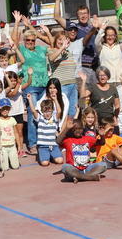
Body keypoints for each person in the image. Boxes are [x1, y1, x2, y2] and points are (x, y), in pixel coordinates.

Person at [14, 16, 51, 154]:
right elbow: (14, 41)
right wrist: (17, 23)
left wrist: (42, 32)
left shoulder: (41, 49)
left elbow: (52, 43)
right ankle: (32, 143)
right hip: (30, 86)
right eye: (28, 40)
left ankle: (45, 140)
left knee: (46, 113)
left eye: (32, 40)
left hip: (44, 85)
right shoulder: (22, 50)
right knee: (32, 113)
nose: (30, 42)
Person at [93, 18, 122, 122]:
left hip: (120, 81)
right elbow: (96, 42)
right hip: (107, 83)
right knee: (108, 107)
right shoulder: (101, 48)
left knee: (121, 106)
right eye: (108, 35)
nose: (110, 37)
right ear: (105, 36)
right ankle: (109, 126)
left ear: (115, 36)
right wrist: (101, 29)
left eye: (112, 35)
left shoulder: (119, 47)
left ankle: (120, 127)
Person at [56, 117, 110, 183]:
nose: (78, 131)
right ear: (71, 130)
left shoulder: (87, 139)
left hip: (86, 169)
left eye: (80, 129)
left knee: (104, 165)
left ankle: (79, 177)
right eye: (75, 129)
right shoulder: (68, 140)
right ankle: (89, 177)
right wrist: (66, 129)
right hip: (74, 169)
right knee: (65, 167)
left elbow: (102, 143)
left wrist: (102, 136)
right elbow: (58, 141)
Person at [46, 22, 79, 122]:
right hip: (61, 85)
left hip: (73, 85)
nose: (62, 41)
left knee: (72, 111)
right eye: (60, 39)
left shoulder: (68, 53)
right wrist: (61, 47)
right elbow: (51, 58)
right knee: (62, 110)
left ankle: (69, 131)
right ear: (56, 41)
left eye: (64, 39)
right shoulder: (52, 51)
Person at [31, 96, 64, 167]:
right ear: (42, 111)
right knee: (45, 163)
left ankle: (51, 156)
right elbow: (33, 111)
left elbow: (59, 111)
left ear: (52, 110)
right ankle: (45, 155)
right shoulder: (40, 118)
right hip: (43, 146)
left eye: (49, 111)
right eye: (45, 112)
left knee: (60, 161)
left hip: (53, 145)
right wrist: (30, 99)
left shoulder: (54, 118)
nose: (47, 113)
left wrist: (55, 99)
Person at [0, 99, 21, 172]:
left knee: (15, 166)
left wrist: (19, 145)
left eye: (7, 108)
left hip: (12, 146)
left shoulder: (12, 119)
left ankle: (11, 160)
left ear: (9, 109)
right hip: (2, 147)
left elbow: (16, 133)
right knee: (5, 168)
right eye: (3, 109)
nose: (5, 110)